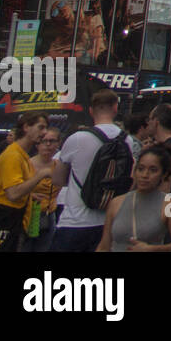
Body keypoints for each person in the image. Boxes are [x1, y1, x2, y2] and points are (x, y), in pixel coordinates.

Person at [50, 88, 136, 252]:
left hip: (75, 222)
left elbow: (58, 180)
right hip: (108, 223)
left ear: (91, 111)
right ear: (115, 108)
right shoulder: (128, 141)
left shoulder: (77, 139)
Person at [0, 114, 50, 252]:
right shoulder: (13, 156)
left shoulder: (21, 156)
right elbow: (13, 193)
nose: (44, 132)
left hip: (12, 224)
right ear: (26, 127)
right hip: (4, 225)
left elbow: (9, 189)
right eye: (41, 127)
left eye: (46, 128)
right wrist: (41, 175)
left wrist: (30, 195)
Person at [97, 146, 171, 252]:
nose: (145, 175)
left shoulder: (170, 203)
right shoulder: (116, 202)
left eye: (153, 170)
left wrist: (152, 249)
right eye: (141, 169)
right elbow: (104, 245)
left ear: (163, 174)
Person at [20, 126, 62, 252]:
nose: (48, 145)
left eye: (52, 141)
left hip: (49, 216)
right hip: (27, 216)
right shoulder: (26, 164)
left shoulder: (59, 166)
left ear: (58, 143)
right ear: (37, 144)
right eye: (44, 141)